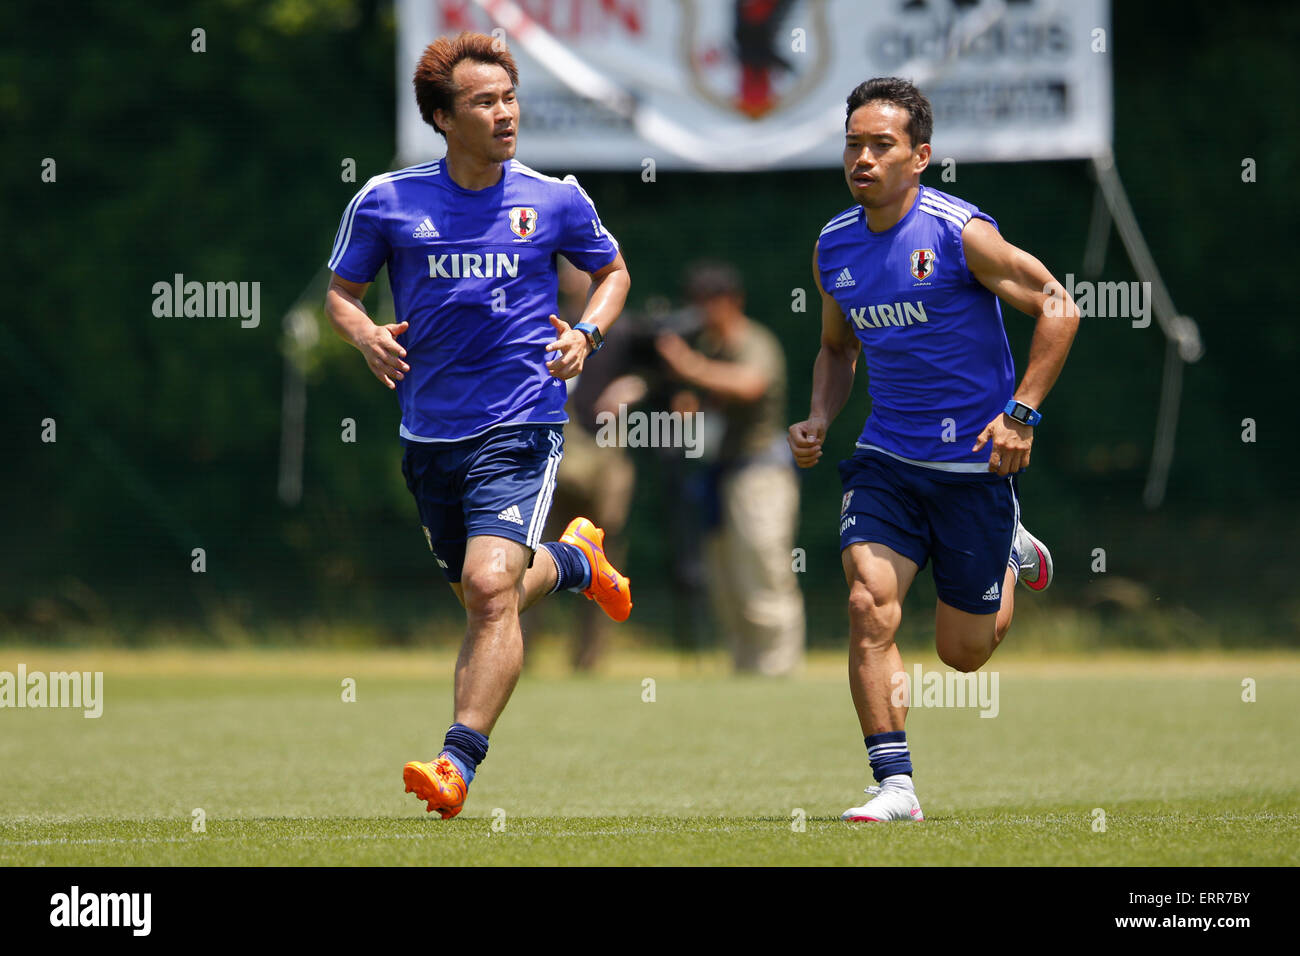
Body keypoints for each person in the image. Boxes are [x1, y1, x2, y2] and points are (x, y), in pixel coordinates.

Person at [323, 32, 632, 819]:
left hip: (524, 419)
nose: (504, 114)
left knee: (492, 589)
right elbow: (342, 294)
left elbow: (612, 272)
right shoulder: (388, 201)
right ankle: (573, 562)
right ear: (440, 117)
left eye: (509, 98)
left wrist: (585, 335)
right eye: (482, 102)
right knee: (481, 592)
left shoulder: (554, 197)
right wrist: (363, 336)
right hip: (429, 435)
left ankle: (456, 764)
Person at [787, 77, 1079, 821]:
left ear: (919, 157)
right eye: (853, 143)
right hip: (887, 458)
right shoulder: (833, 245)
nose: (863, 157)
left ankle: (1010, 547)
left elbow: (1058, 304)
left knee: (963, 653)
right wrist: (820, 413)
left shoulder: (959, 233)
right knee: (866, 603)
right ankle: (896, 786)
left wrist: (1022, 414)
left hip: (976, 469)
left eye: (881, 145)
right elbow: (834, 347)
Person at [658, 262, 805, 676]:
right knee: (727, 585)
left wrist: (689, 368)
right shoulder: (709, 348)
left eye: (710, 301)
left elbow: (750, 384)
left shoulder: (754, 341)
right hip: (720, 476)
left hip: (760, 475)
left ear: (733, 301)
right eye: (697, 301)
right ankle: (745, 675)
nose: (703, 310)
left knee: (763, 572)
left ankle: (778, 673)